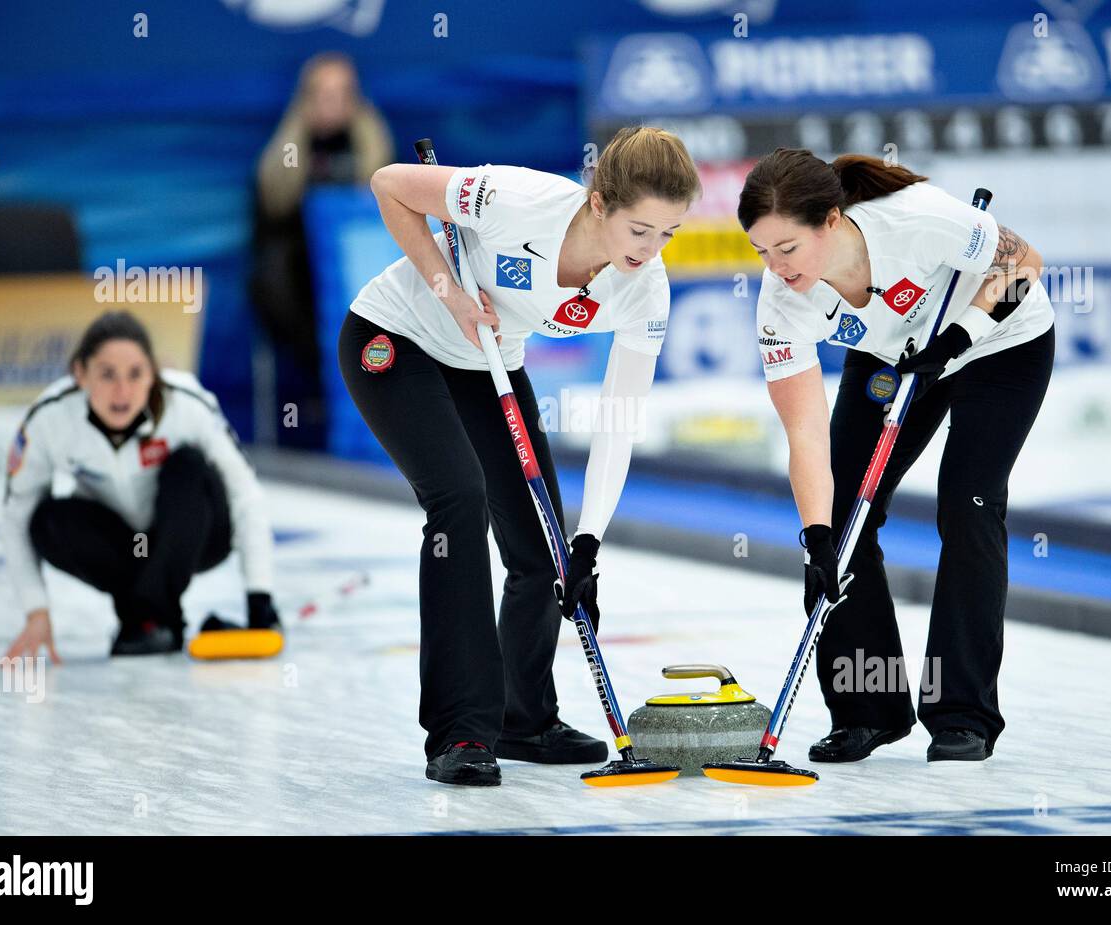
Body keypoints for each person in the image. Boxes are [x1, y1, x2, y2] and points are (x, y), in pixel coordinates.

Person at [340, 126, 700, 785]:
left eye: (667, 235)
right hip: (394, 341)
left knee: (545, 550)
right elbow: (390, 185)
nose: (651, 252)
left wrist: (588, 540)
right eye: (640, 230)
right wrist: (449, 291)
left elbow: (620, 419)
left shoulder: (644, 290)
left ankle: (522, 717)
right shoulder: (520, 199)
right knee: (459, 496)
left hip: (486, 363)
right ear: (599, 205)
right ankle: (461, 732)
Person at [739, 148, 1054, 763]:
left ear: (831, 221)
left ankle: (963, 715)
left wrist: (962, 335)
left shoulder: (918, 220)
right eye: (761, 253)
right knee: (844, 520)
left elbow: (1025, 263)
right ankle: (868, 710)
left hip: (1002, 346)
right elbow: (805, 435)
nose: (776, 269)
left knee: (967, 505)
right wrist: (817, 532)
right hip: (895, 358)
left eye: (788, 249)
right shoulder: (781, 306)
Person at [1, 311, 280, 661]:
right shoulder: (49, 419)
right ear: (80, 374)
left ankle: (148, 619)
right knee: (47, 520)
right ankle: (150, 620)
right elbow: (16, 514)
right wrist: (36, 611)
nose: (123, 391)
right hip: (123, 547)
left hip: (198, 536)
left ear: (153, 374)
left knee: (190, 465)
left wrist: (260, 599)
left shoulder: (187, 404)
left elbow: (245, 494)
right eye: (107, 375)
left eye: (135, 374)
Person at [251, 52, 395, 448]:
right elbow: (268, 230)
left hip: (357, 278)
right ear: (306, 98)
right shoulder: (283, 159)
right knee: (277, 274)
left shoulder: (374, 152)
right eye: (323, 93)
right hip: (301, 288)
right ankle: (320, 381)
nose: (332, 102)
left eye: (342, 93)